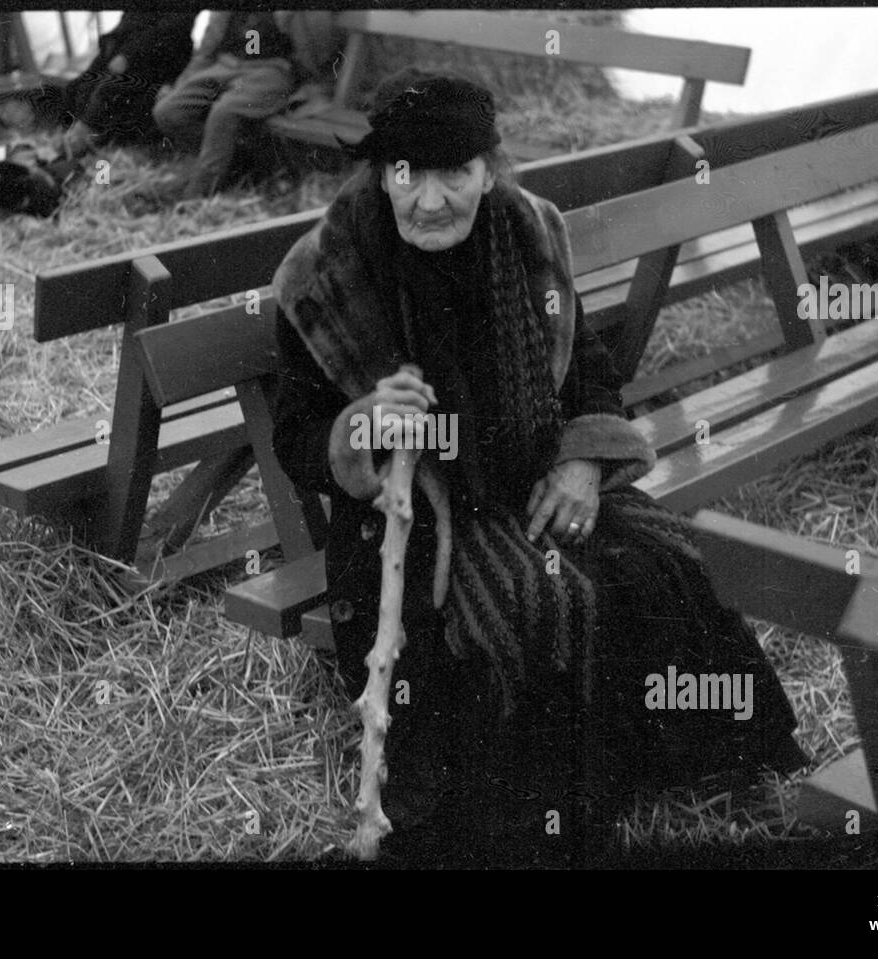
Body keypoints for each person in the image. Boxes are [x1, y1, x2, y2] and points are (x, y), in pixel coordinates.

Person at [269, 68, 807, 867]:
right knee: (540, 604)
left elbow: (590, 370)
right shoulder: (327, 276)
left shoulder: (529, 235)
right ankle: (553, 817)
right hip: (415, 522)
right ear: (382, 174)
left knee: (668, 564)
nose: (430, 199)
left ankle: (694, 759)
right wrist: (359, 426)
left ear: (489, 170)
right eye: (408, 174)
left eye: (456, 173)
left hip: (532, 476)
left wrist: (585, 462)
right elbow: (296, 440)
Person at [152, 11, 340, 198]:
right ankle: (234, 163)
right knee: (168, 111)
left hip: (271, 69)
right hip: (226, 65)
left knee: (224, 113)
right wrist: (182, 84)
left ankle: (196, 194)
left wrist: (302, 85)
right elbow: (206, 51)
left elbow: (316, 55)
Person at [59, 11, 201, 156]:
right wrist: (110, 49)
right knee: (79, 86)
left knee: (111, 88)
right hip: (131, 48)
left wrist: (128, 55)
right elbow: (128, 22)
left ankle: (85, 137)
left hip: (163, 55)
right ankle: (81, 139)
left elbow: (172, 28)